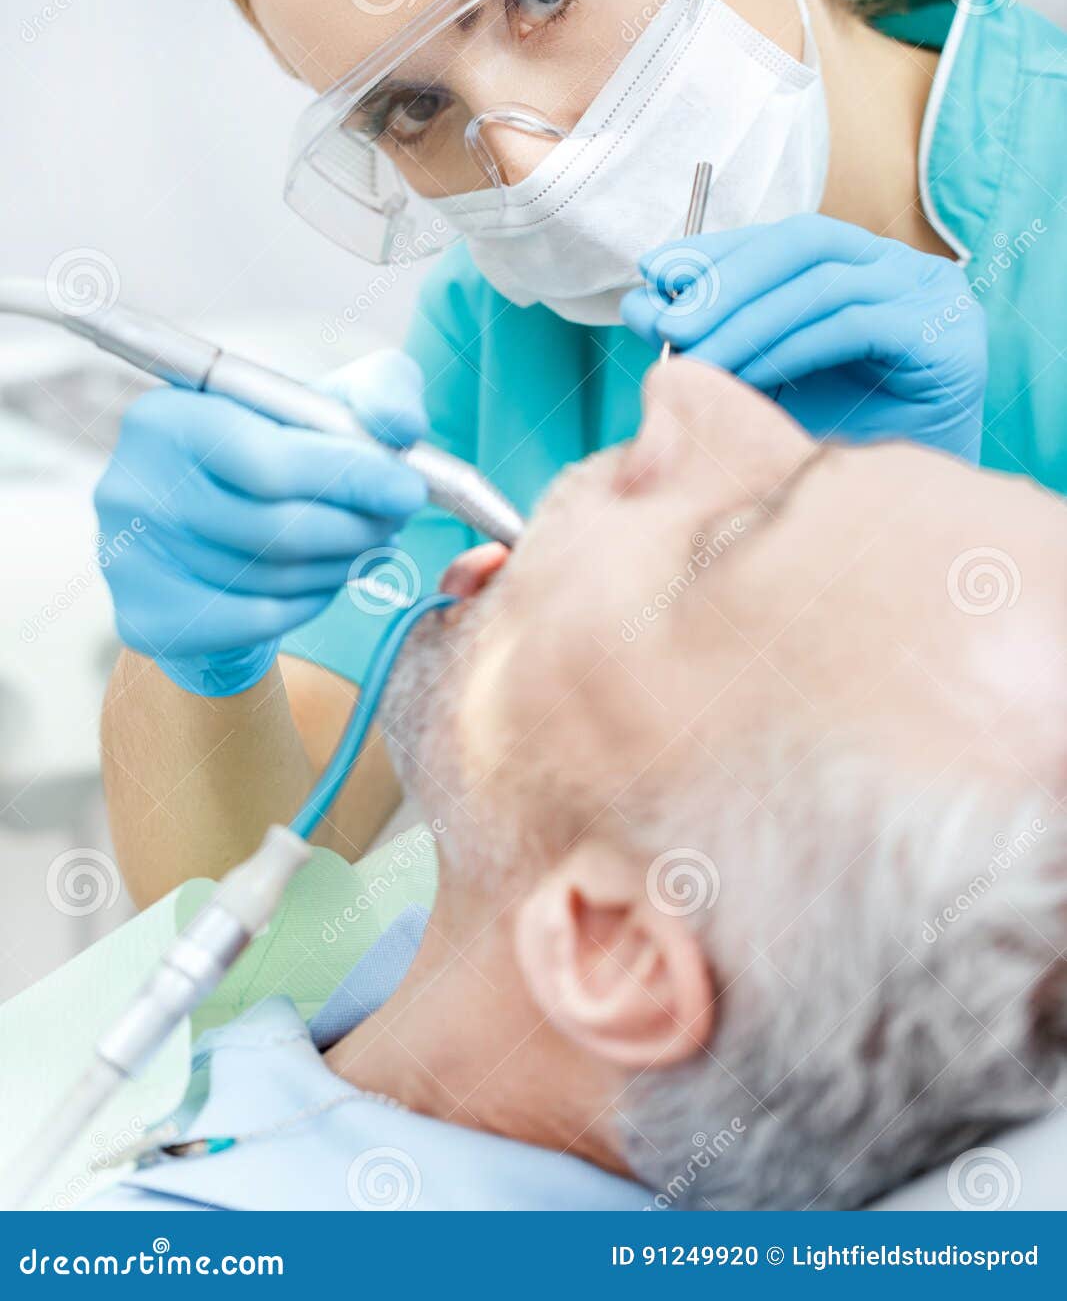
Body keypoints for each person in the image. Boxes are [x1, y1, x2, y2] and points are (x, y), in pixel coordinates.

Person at [95, 0, 1062, 895]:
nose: (533, 164)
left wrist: (943, 567)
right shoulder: (505, 343)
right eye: (414, 108)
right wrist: (196, 663)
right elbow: (237, 926)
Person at [86, 358, 1067, 1212]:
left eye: (735, 525)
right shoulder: (393, 966)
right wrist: (199, 663)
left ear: (614, 955)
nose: (678, 387)